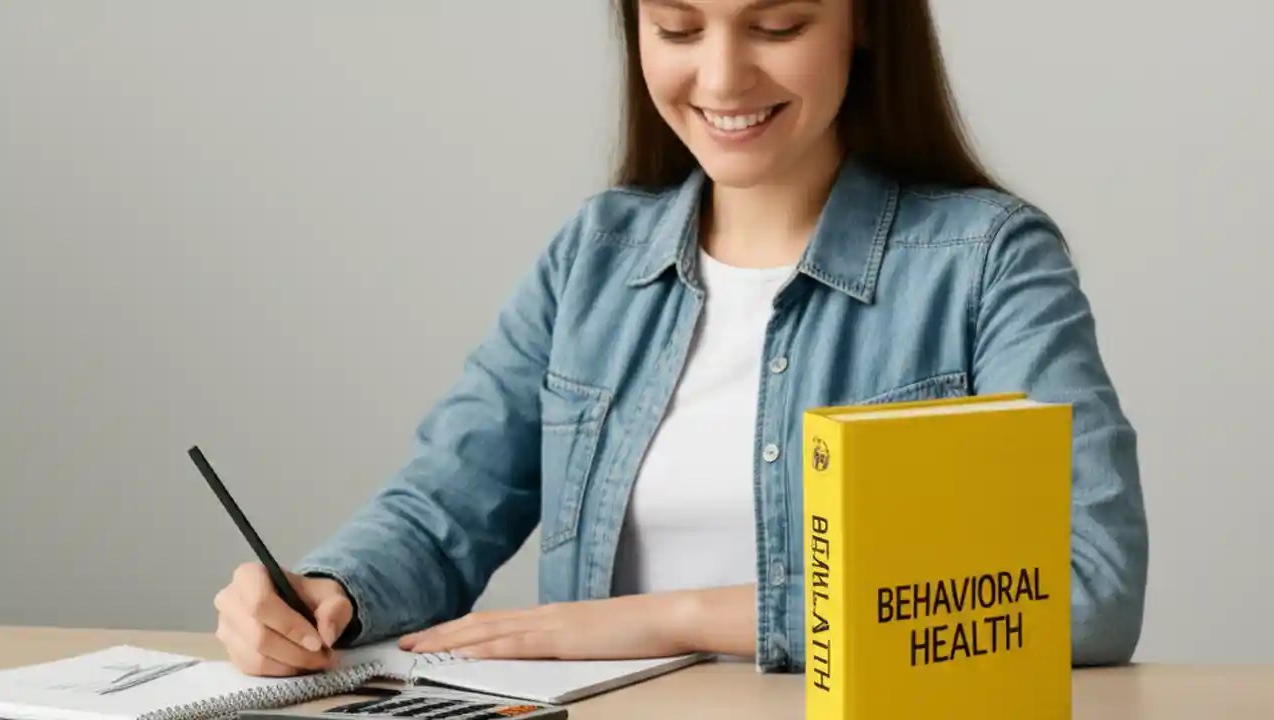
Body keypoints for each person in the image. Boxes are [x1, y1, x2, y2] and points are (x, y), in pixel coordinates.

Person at [212, 0, 1148, 677]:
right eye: (677, 28)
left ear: (862, 21)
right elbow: (441, 509)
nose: (722, 78)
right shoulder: (593, 256)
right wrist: (326, 590)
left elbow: (1087, 590)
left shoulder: (987, 260)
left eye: (776, 26)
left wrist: (673, 620)